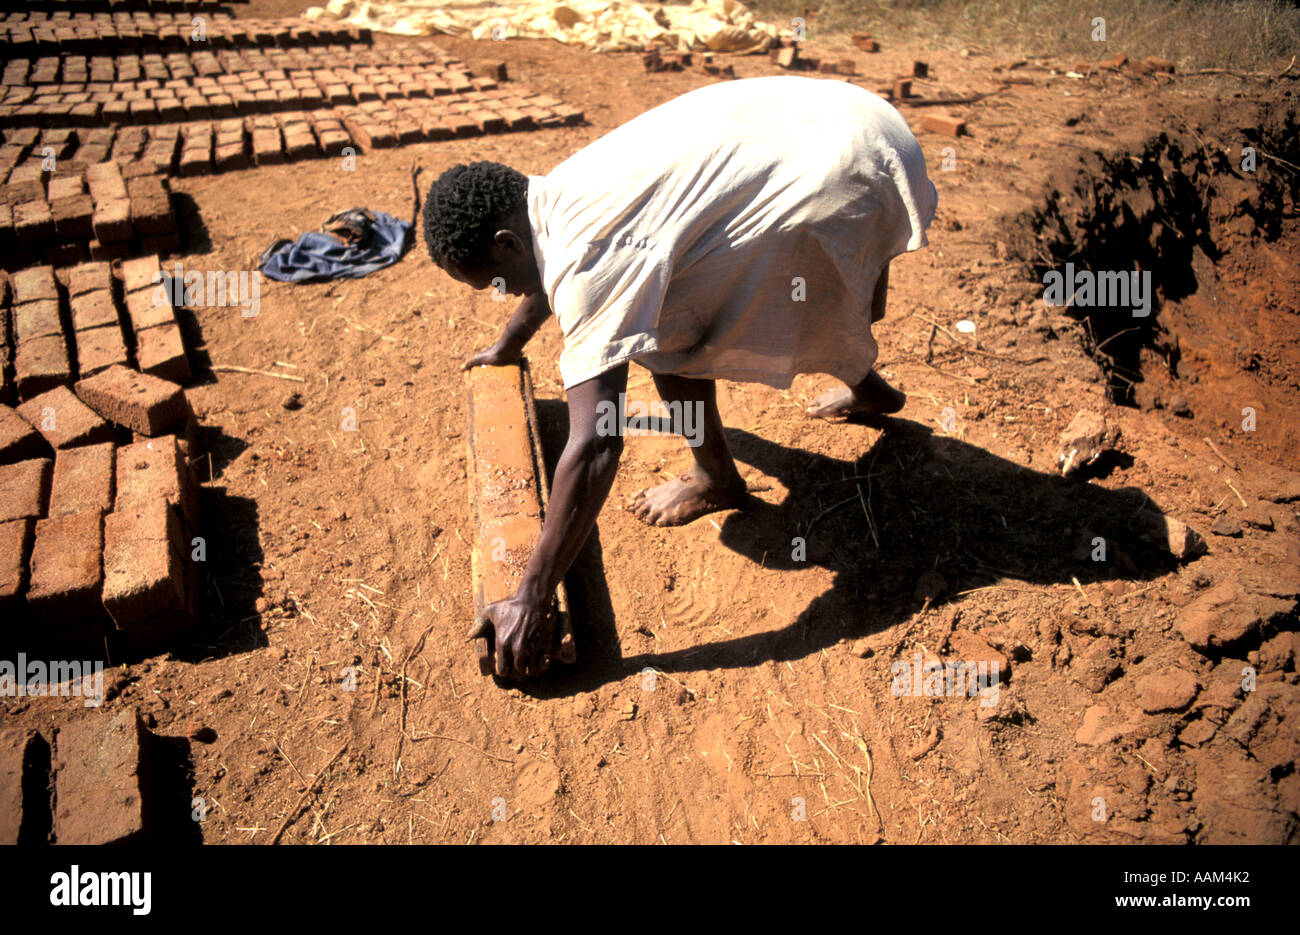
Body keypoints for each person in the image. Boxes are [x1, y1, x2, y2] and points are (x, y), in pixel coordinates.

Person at [423, 75, 937, 677]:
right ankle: (867, 386)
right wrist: (508, 343)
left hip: (844, 170)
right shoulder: (554, 195)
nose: (503, 293)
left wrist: (531, 595)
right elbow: (554, 271)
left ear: (507, 245)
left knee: (666, 338)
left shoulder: (584, 257)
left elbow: (595, 444)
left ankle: (718, 477)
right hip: (858, 121)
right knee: (709, 296)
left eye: (495, 282)